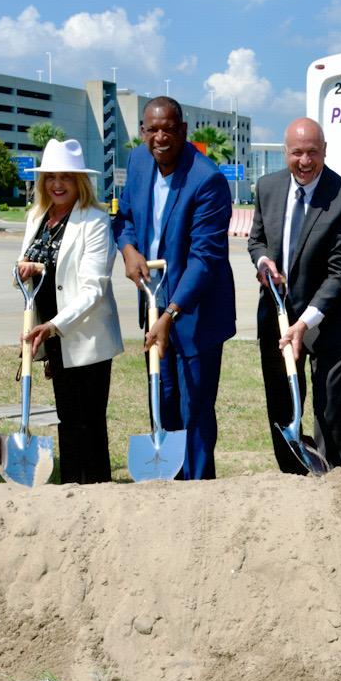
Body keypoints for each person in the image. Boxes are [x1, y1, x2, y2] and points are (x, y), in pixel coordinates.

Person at [114, 96, 236, 480]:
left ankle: (198, 493)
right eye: (153, 129)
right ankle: (166, 485)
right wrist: (129, 250)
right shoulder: (136, 162)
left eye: (169, 128)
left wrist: (170, 314)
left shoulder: (208, 179)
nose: (161, 137)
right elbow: (125, 219)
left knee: (194, 409)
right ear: (143, 132)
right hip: (154, 306)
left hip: (195, 314)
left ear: (183, 130)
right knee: (162, 401)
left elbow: (205, 260)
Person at [248, 116, 341, 472]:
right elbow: (256, 240)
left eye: (312, 152)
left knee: (329, 410)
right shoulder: (267, 187)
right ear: (285, 152)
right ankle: (292, 477)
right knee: (282, 405)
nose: (304, 161)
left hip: (327, 321)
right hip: (277, 315)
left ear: (325, 151)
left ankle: (331, 480)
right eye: (296, 152)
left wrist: (305, 322)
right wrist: (264, 260)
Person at [18, 139, 124, 484]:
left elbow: (94, 289)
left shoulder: (93, 220)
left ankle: (95, 489)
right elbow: (27, 268)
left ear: (80, 181)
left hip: (84, 336)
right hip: (51, 337)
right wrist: (23, 271)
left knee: (88, 420)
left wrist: (53, 326)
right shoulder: (37, 216)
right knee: (66, 417)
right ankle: (70, 487)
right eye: (50, 177)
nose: (57, 184)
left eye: (66, 177)